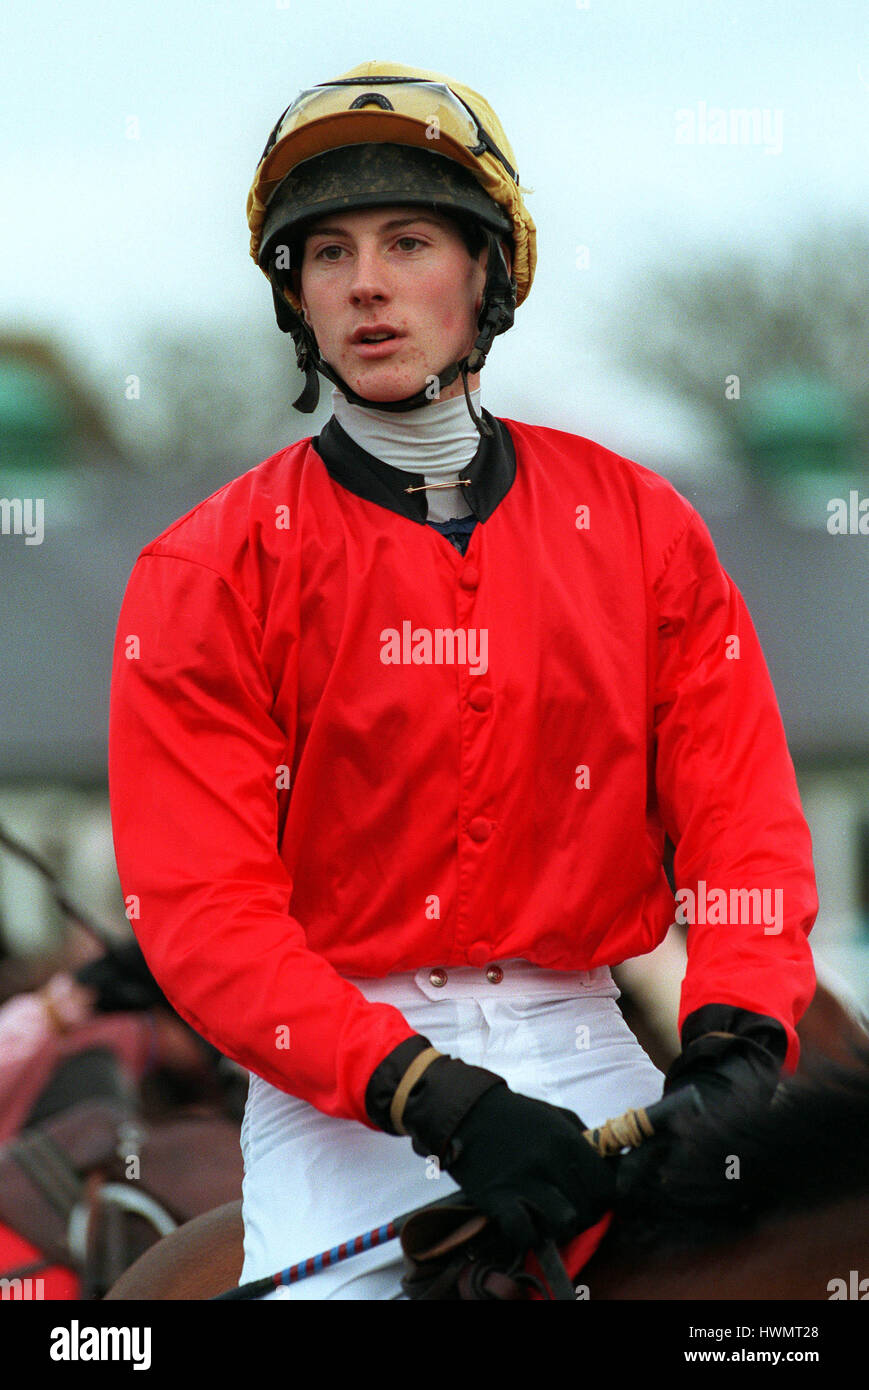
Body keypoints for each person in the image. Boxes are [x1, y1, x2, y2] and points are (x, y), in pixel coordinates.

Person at [108, 61, 818, 1299]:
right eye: (326, 253)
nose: (366, 283)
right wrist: (427, 1095)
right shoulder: (202, 571)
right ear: (297, 298)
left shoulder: (645, 528)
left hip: (595, 1058)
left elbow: (740, 825)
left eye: (409, 240)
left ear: (487, 272)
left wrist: (736, 1047)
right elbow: (201, 912)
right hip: (344, 1102)